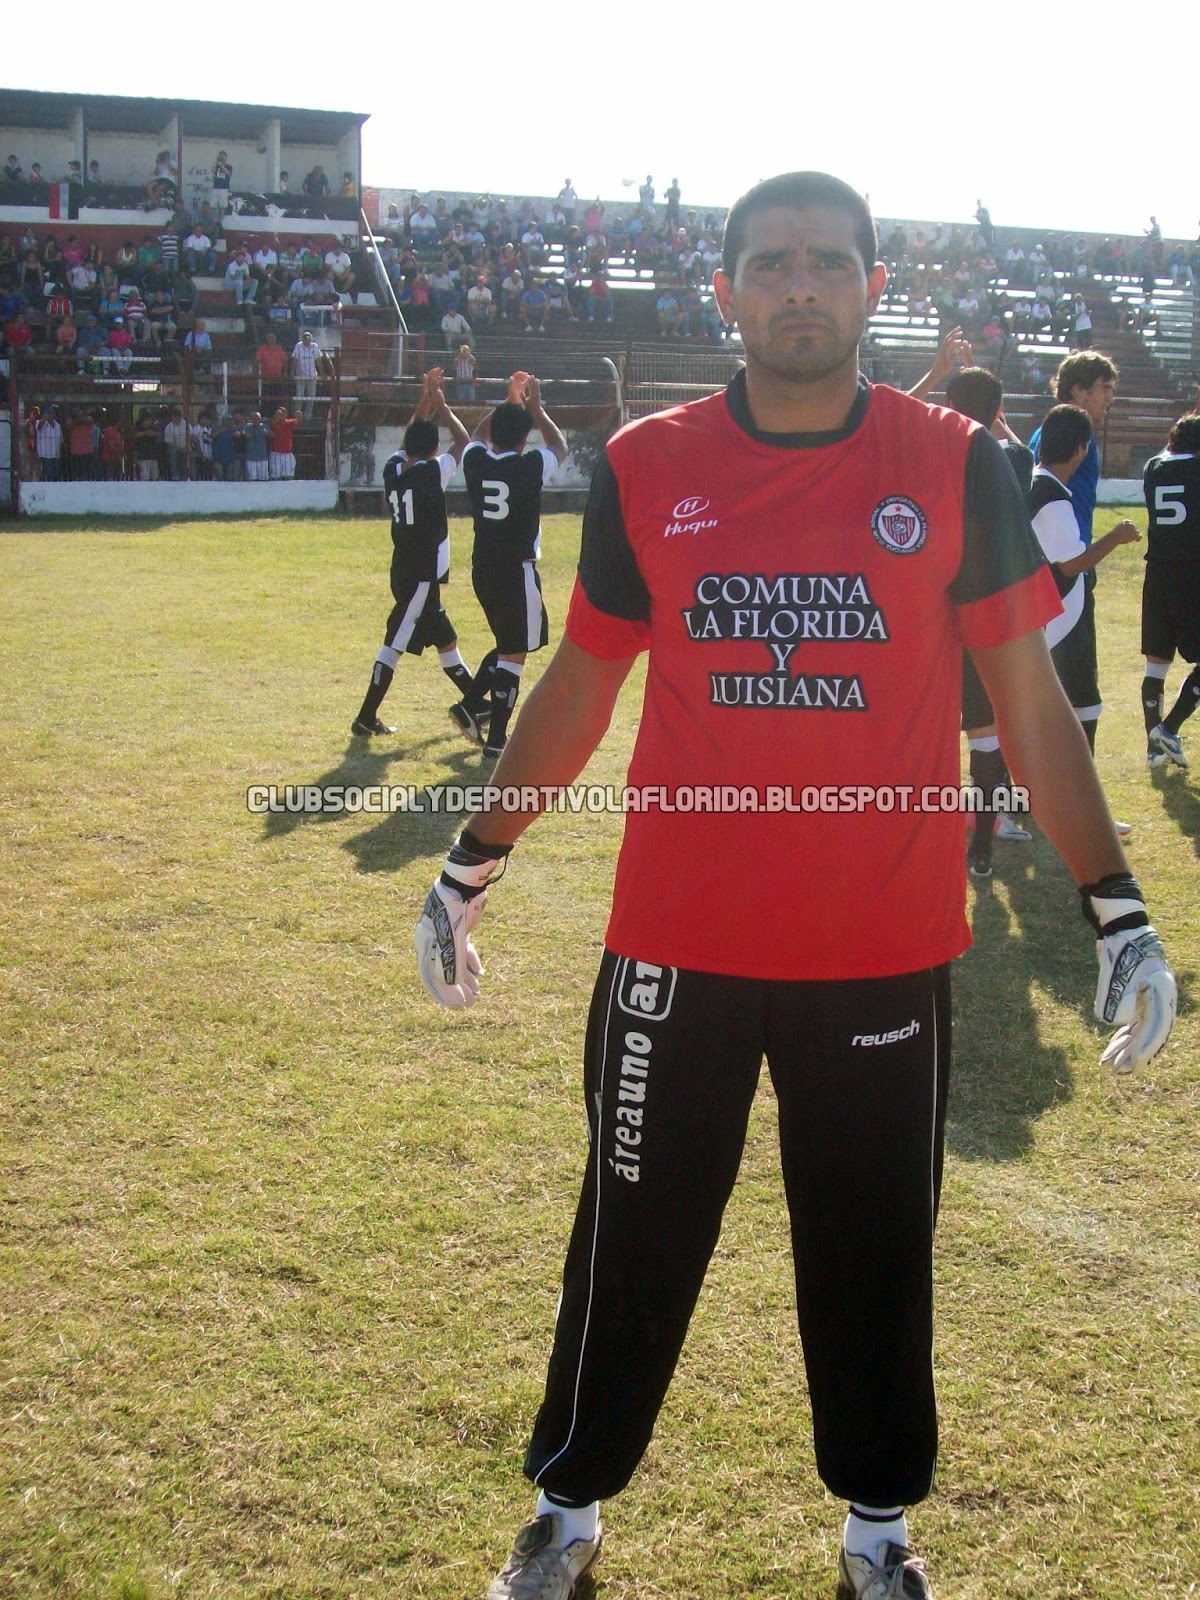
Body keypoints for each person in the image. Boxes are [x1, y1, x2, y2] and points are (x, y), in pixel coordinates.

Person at [412, 171, 1176, 1600]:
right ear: (728, 290)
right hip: (675, 946)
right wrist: (475, 858)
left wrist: (1117, 904)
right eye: (774, 263)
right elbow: (584, 677)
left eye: (831, 260)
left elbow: (1026, 697)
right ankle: (566, 1514)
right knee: (631, 1233)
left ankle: (880, 1533)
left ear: (877, 286)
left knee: (876, 1247)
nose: (803, 284)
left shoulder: (955, 463)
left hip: (881, 952)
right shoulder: (647, 465)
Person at [350, 369, 480, 738]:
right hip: (421, 573)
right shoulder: (432, 471)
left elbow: (410, 439)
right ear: (433, 449)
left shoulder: (394, 469)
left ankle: (476, 705)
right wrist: (442, 405)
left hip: (405, 567)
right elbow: (464, 440)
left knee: (446, 641)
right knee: (393, 644)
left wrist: (424, 402)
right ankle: (365, 716)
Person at [452, 374, 568, 758]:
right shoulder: (529, 465)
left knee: (507, 644)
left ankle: (469, 706)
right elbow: (559, 446)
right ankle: (497, 740)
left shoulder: (476, 461)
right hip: (516, 568)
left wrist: (507, 402)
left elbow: (474, 438)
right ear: (524, 438)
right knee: (515, 652)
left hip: (482, 565)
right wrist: (535, 407)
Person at [1028, 405, 1141, 761]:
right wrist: (1117, 536)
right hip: (1061, 621)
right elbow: (1071, 564)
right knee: (1083, 702)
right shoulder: (1051, 496)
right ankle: (1078, 795)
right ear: (1081, 449)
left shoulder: (1038, 483)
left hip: (1050, 617)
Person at [1139, 411, 1200, 769]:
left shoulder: (1152, 467)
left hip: (1157, 570)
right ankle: (1170, 728)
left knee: (1156, 663)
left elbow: (1170, 452)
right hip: (1191, 571)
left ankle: (1154, 749)